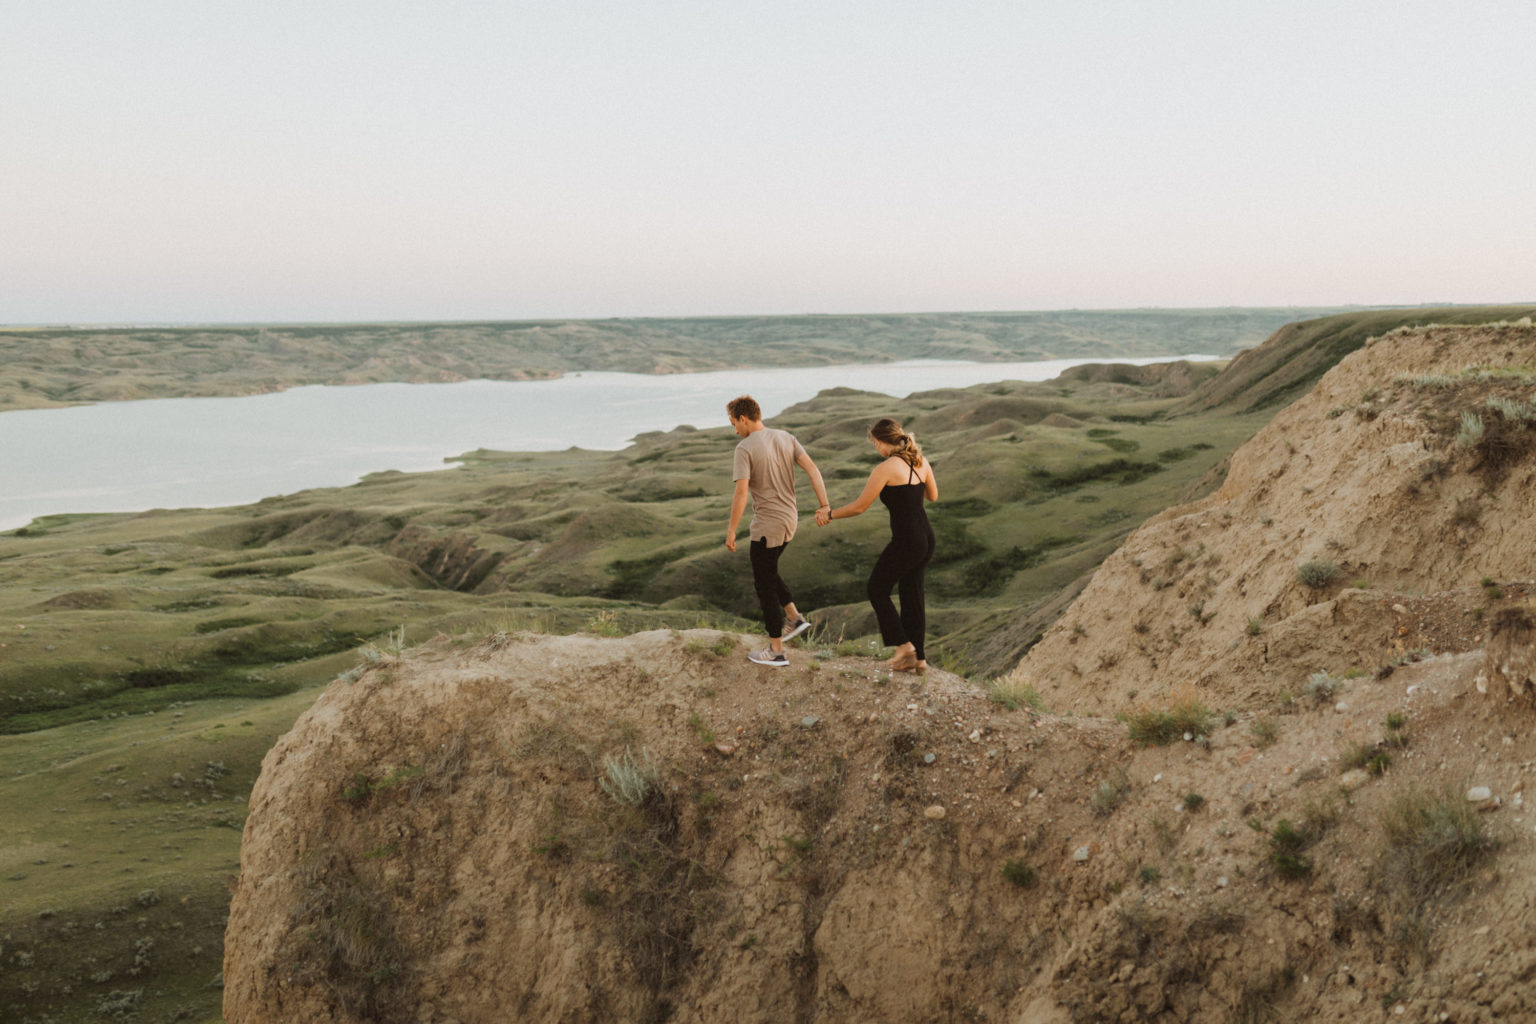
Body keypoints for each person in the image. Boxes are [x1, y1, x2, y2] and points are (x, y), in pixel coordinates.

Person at [817, 418, 938, 673]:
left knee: (877, 589)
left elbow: (860, 507)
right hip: (926, 537)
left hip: (906, 540)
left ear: (884, 441)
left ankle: (904, 646)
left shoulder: (885, 469)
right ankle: (920, 658)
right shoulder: (920, 461)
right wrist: (913, 490)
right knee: (912, 593)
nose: (876, 448)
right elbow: (933, 495)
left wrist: (829, 514)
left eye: (875, 443)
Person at [725, 394, 831, 667]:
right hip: (790, 519)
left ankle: (776, 650)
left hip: (767, 523)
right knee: (768, 571)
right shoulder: (786, 437)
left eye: (733, 423)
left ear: (743, 418)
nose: (734, 430)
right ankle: (794, 617)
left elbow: (741, 491)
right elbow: (813, 469)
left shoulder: (744, 447)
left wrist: (731, 530)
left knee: (764, 584)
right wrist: (824, 504)